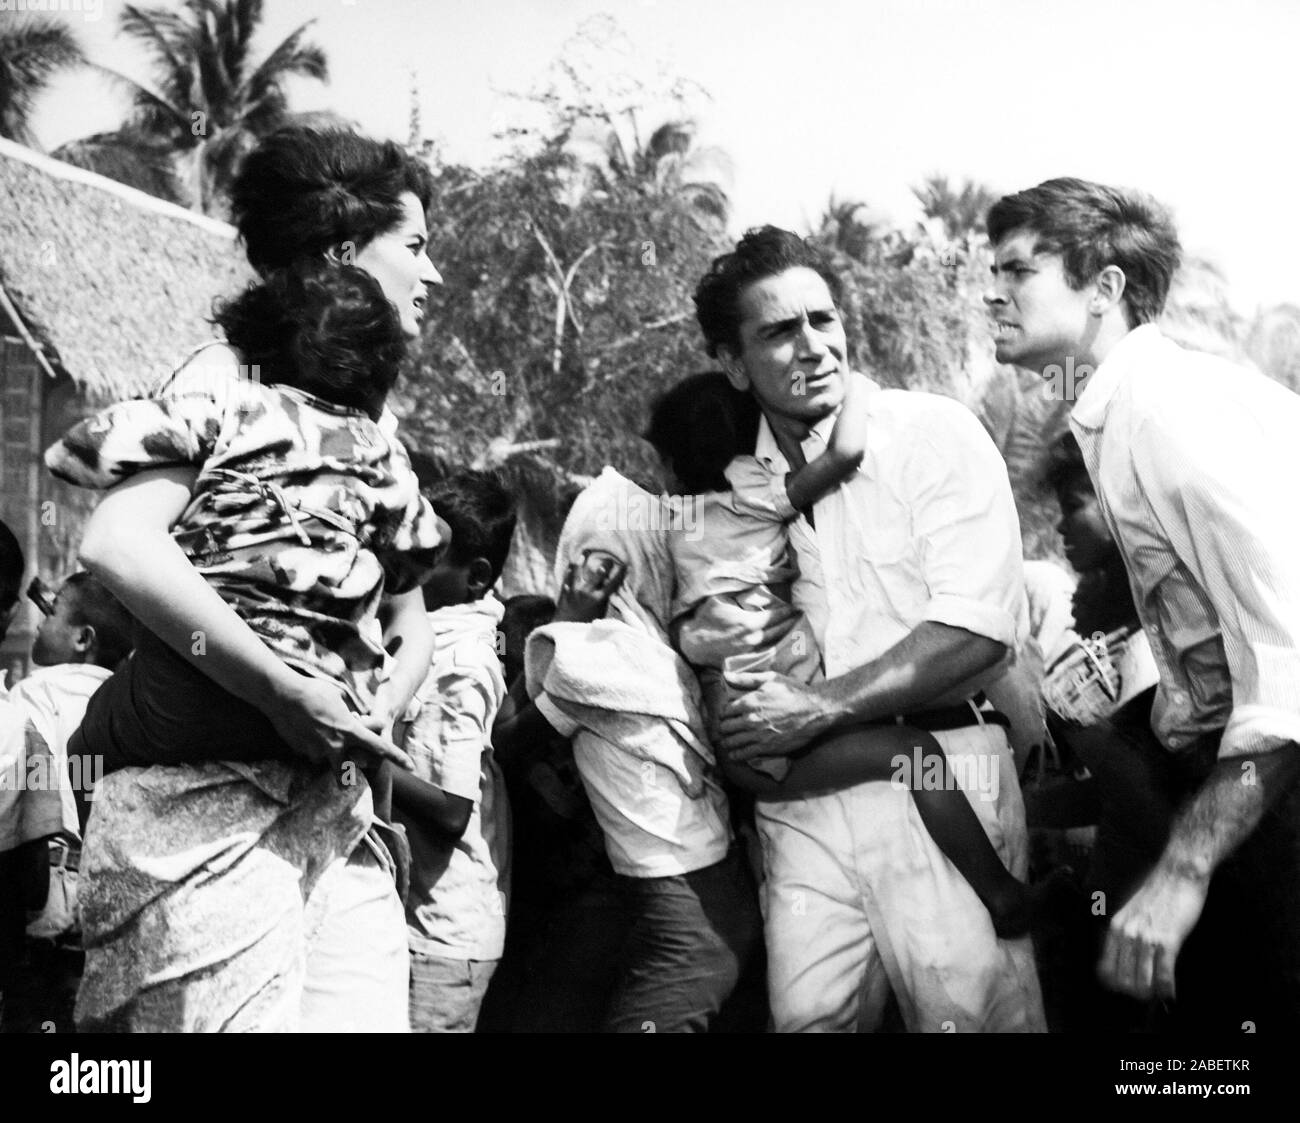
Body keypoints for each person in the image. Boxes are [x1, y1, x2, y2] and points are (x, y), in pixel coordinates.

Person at [43, 124, 446, 1032]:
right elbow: (119, 542)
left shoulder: (372, 426)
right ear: (342, 253)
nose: (432, 275)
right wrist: (280, 689)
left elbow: (411, 618)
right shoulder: (227, 381)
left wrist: (377, 708)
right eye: (414, 248)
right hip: (208, 808)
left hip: (337, 815)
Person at [683, 226, 1045, 1032]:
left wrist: (819, 707)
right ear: (734, 364)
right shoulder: (730, 487)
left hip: (941, 771)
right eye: (779, 330)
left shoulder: (930, 433)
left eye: (824, 318)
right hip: (802, 801)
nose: (814, 345)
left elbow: (978, 634)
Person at [985, 177, 1300, 1029]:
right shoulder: (1120, 415)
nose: (992, 291)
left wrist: (1185, 865)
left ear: (1106, 288)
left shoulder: (1169, 413)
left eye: (1019, 270)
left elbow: (1288, 662)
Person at [646, 370, 1062, 937]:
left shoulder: (675, 527)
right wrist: (856, 387)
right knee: (917, 755)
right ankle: (1001, 894)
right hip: (763, 738)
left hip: (737, 735)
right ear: (744, 460)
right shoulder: (755, 501)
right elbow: (846, 452)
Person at [494, 468, 761, 1032]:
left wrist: (566, 622)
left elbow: (505, 745)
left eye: (592, 560)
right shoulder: (651, 651)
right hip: (707, 902)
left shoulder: (594, 657)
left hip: (687, 915)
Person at [393, 468, 516, 1033]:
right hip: (420, 924)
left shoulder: (462, 663)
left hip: (442, 940)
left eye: (433, 555)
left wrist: (357, 758)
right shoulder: (432, 637)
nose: (413, 565)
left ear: (477, 576)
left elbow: (451, 810)